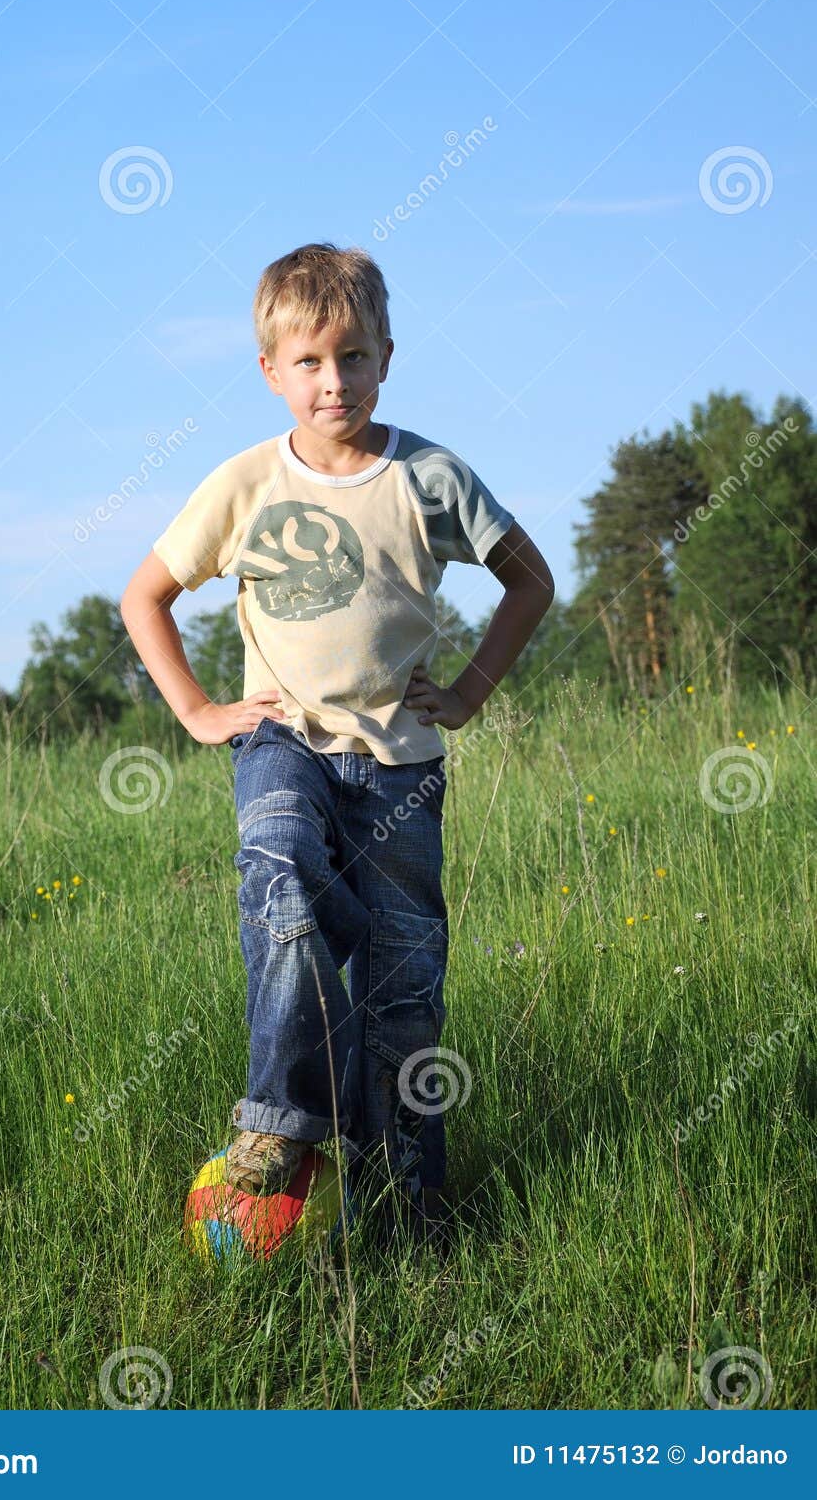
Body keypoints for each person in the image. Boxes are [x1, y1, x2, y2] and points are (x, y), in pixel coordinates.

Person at [120, 242, 554, 1238]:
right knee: (279, 870)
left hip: (400, 768)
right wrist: (195, 710)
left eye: (352, 357)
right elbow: (145, 595)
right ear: (270, 371)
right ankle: (279, 1121)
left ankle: (404, 1214)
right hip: (286, 743)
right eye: (308, 362)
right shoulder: (242, 482)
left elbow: (529, 579)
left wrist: (475, 687)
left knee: (403, 999)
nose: (332, 381)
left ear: (387, 357)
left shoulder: (431, 476)